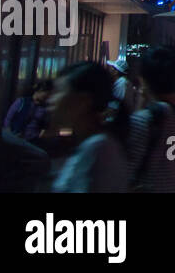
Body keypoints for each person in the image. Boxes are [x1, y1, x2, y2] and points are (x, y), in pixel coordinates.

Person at [127, 45, 175, 192]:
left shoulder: (143, 120)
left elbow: (127, 172)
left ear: (144, 80)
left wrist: (140, 102)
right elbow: (174, 155)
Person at [49, 62, 129, 192]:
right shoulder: (95, 144)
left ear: (82, 102)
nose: (50, 100)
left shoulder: (98, 149)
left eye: (58, 91)